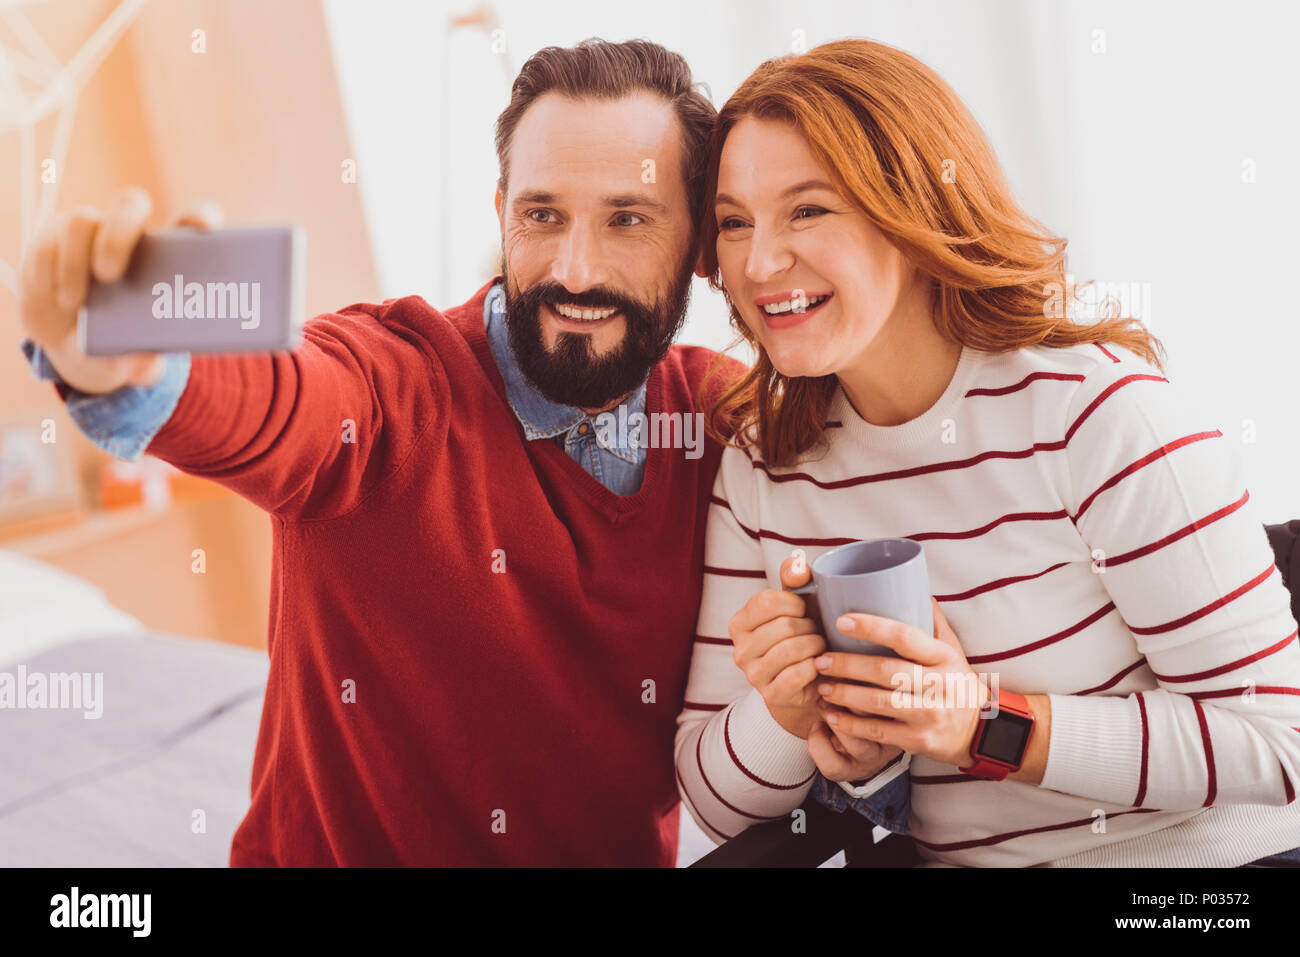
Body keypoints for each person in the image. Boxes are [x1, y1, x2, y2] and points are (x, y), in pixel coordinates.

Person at [16, 38, 745, 866]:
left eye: (627, 218)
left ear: (697, 243)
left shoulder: (722, 421)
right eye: (542, 215)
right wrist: (127, 364)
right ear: (503, 210)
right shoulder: (397, 386)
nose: (573, 269)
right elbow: (285, 399)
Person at [675, 38, 1300, 866]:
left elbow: (1278, 744)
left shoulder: (1096, 415)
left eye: (809, 208)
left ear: (912, 208)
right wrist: (785, 710)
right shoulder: (764, 464)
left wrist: (981, 722)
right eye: (733, 223)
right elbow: (713, 799)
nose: (759, 262)